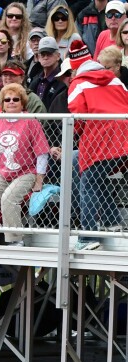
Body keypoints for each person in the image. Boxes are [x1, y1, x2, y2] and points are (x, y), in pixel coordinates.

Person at [68, 42, 128, 250]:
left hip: (102, 139)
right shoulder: (114, 79)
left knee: (88, 183)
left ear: (75, 67)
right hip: (125, 136)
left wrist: (76, 134)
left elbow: (77, 118)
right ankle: (112, 222)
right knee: (96, 176)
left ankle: (88, 236)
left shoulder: (77, 83)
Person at [0, 83, 50, 247]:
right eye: (7, 99)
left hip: (27, 172)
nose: (11, 102)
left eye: (15, 99)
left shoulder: (31, 121)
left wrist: (39, 180)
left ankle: (15, 239)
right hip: (4, 171)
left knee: (8, 198)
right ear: (2, 104)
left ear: (22, 102)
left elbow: (42, 153)